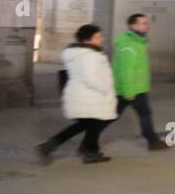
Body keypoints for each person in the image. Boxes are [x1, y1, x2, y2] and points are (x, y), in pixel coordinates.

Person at [37, 24, 118, 164]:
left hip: (81, 95)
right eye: (98, 36)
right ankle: (51, 147)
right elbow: (91, 78)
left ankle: (87, 151)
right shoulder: (90, 56)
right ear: (87, 40)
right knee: (93, 123)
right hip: (91, 96)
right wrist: (106, 87)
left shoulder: (79, 53)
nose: (102, 39)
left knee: (88, 125)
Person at [112, 13, 171, 150]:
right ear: (133, 26)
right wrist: (128, 91)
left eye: (146, 22)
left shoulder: (137, 42)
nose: (147, 26)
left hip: (137, 87)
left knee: (142, 113)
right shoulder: (129, 45)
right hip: (131, 89)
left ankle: (152, 140)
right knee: (111, 116)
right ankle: (88, 140)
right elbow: (127, 71)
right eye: (143, 23)